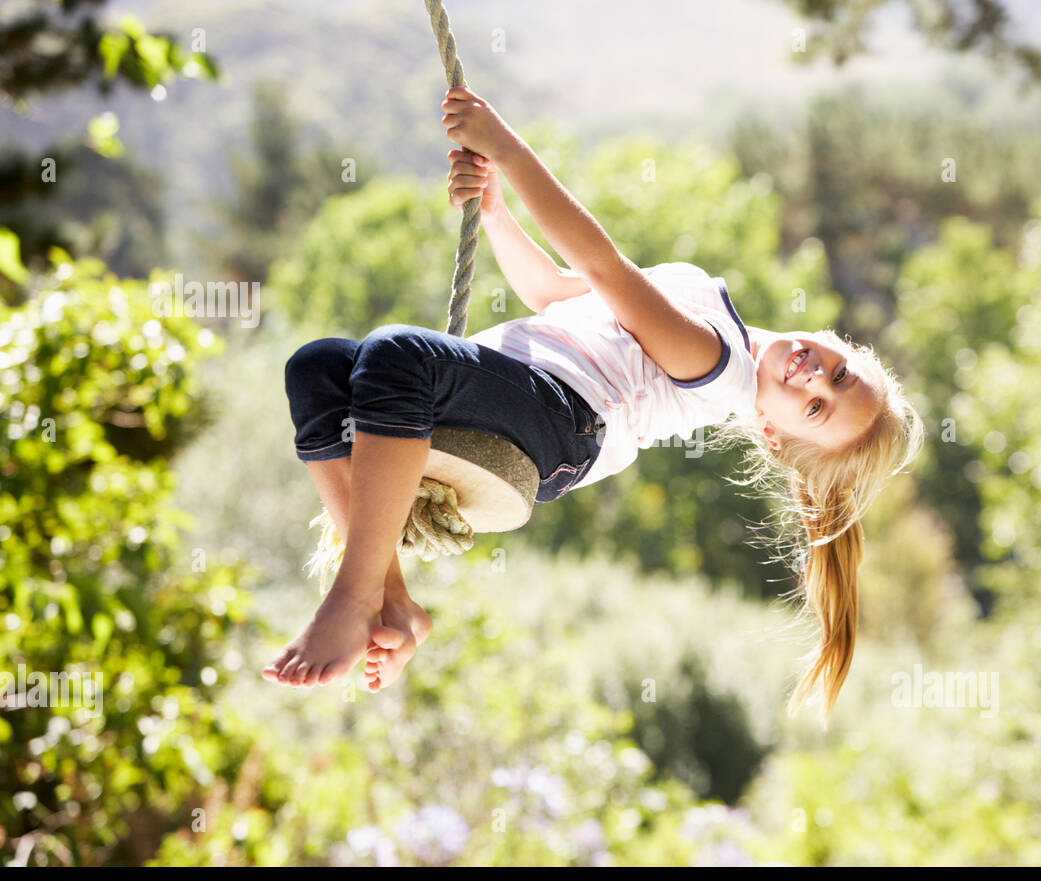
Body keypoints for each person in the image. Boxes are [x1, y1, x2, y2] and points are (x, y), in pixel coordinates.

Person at [267, 86, 924, 726]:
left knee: (396, 355)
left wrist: (509, 149)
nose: (815, 380)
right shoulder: (702, 292)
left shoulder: (720, 369)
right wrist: (496, 211)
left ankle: (353, 597)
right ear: (840, 342)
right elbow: (556, 294)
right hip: (525, 387)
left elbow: (604, 267)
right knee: (318, 368)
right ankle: (396, 605)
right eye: (839, 373)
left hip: (560, 423)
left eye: (814, 409)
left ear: (771, 435)